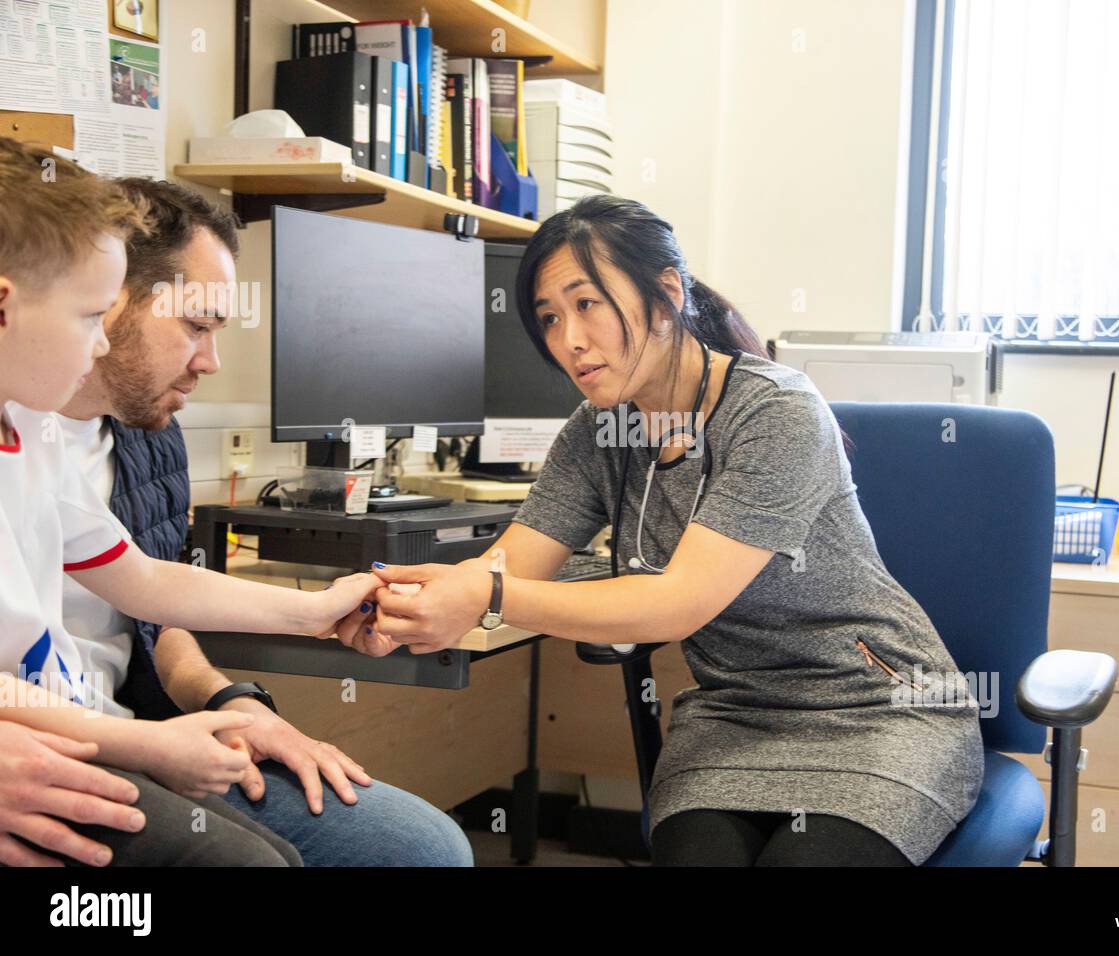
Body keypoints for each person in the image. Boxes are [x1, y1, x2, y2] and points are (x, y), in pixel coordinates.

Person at [339, 194, 986, 866]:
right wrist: (402, 602)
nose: (568, 340)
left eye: (586, 304)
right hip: (736, 718)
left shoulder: (776, 412)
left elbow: (680, 601)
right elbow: (509, 566)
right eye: (549, 318)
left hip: (879, 712)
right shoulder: (596, 434)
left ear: (665, 296)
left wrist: (487, 598)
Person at [54, 175, 472, 867]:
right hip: (62, 747)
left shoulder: (148, 433)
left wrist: (236, 700)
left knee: (420, 850)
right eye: (196, 326)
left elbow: (149, 594)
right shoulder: (24, 441)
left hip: (139, 732)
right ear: (112, 297)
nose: (211, 364)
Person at [0, 135, 371, 865]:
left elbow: (142, 580)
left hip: (90, 732)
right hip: (62, 743)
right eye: (88, 319)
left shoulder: (35, 437)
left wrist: (314, 613)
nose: (98, 345)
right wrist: (148, 742)